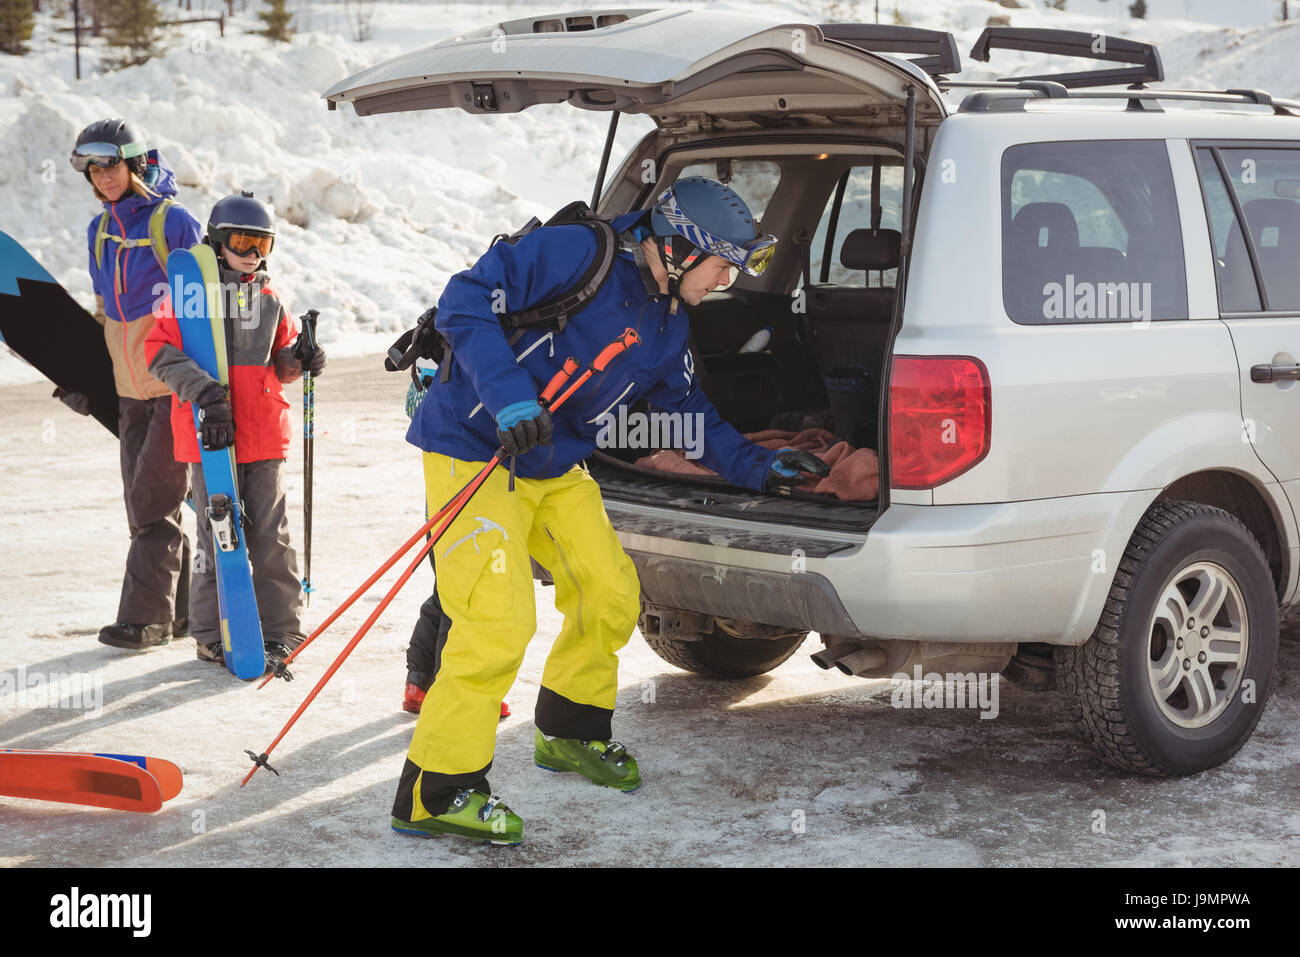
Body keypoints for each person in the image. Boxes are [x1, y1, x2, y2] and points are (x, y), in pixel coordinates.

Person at [390, 177, 828, 844]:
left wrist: (760, 465)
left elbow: (690, 417)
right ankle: (434, 788)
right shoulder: (577, 254)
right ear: (680, 249)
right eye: (719, 266)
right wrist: (510, 399)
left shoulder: (667, 320)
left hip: (551, 463)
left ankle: (569, 730)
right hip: (474, 448)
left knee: (610, 588)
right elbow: (464, 299)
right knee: (498, 619)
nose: (723, 282)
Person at [144, 191, 326, 673]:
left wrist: (300, 358)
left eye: (262, 244)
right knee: (217, 535)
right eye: (243, 242)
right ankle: (209, 632)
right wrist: (204, 392)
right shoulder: (186, 297)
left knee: (271, 535)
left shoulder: (270, 300)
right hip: (211, 438)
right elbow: (160, 355)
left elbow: (281, 362)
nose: (253, 255)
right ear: (218, 241)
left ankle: (281, 629)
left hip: (264, 436)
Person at [66, 119, 201, 651]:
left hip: (172, 387)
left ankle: (145, 620)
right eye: (94, 169)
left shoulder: (175, 223)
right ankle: (183, 612)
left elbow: (203, 309)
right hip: (128, 391)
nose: (103, 177)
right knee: (145, 501)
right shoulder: (99, 232)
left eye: (112, 165)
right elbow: (105, 316)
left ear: (137, 163)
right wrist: (86, 382)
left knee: (151, 503)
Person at [401, 367, 511, 719]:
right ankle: (457, 689)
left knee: (448, 592)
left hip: (447, 502)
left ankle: (420, 682)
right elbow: (417, 403)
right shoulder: (467, 349)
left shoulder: (449, 352)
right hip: (463, 504)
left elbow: (414, 402)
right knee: (468, 597)